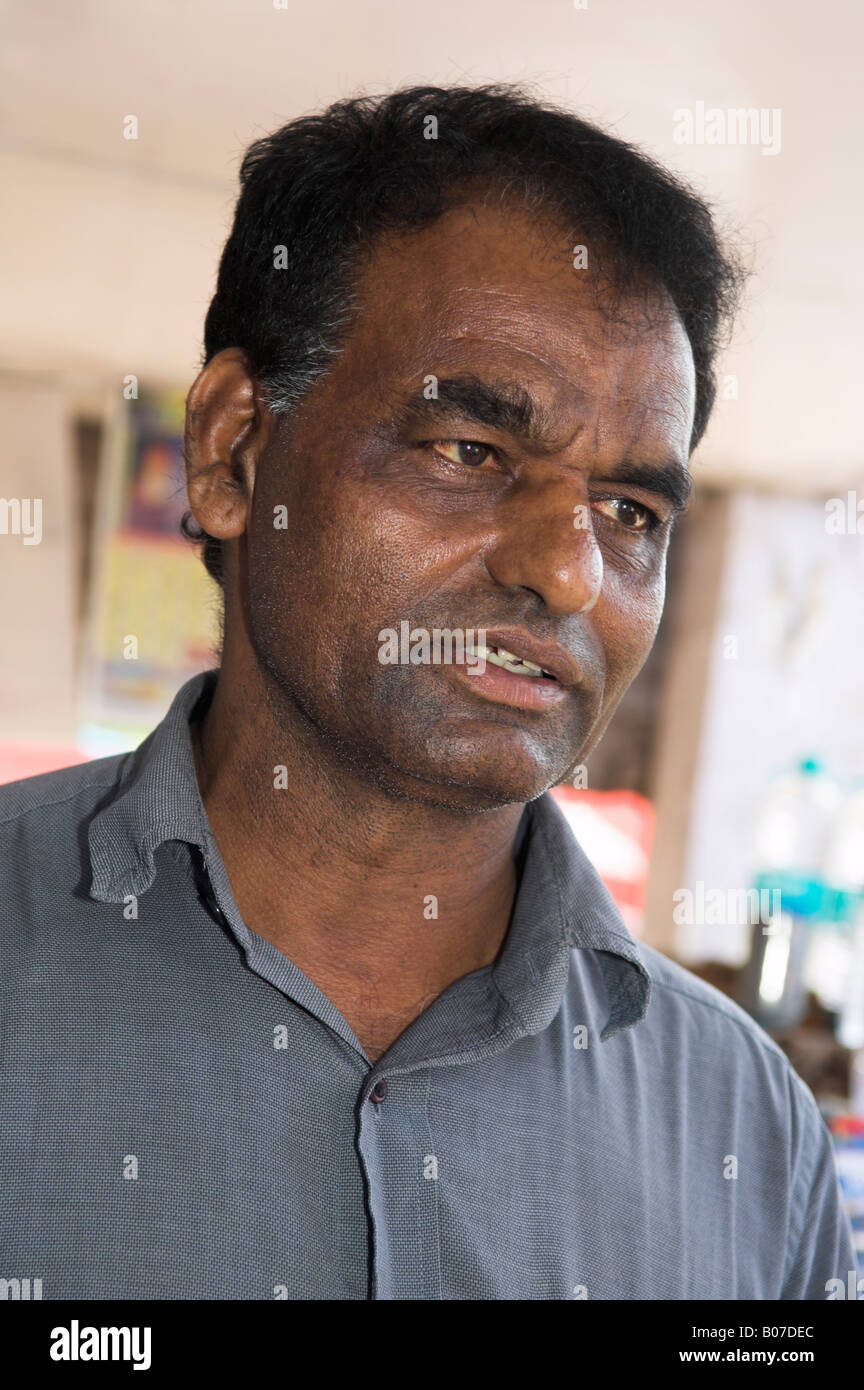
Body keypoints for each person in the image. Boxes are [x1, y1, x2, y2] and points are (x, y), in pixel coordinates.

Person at [0, 84, 854, 1300]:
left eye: (631, 511)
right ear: (237, 450)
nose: (568, 570)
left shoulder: (745, 1133)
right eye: (471, 452)